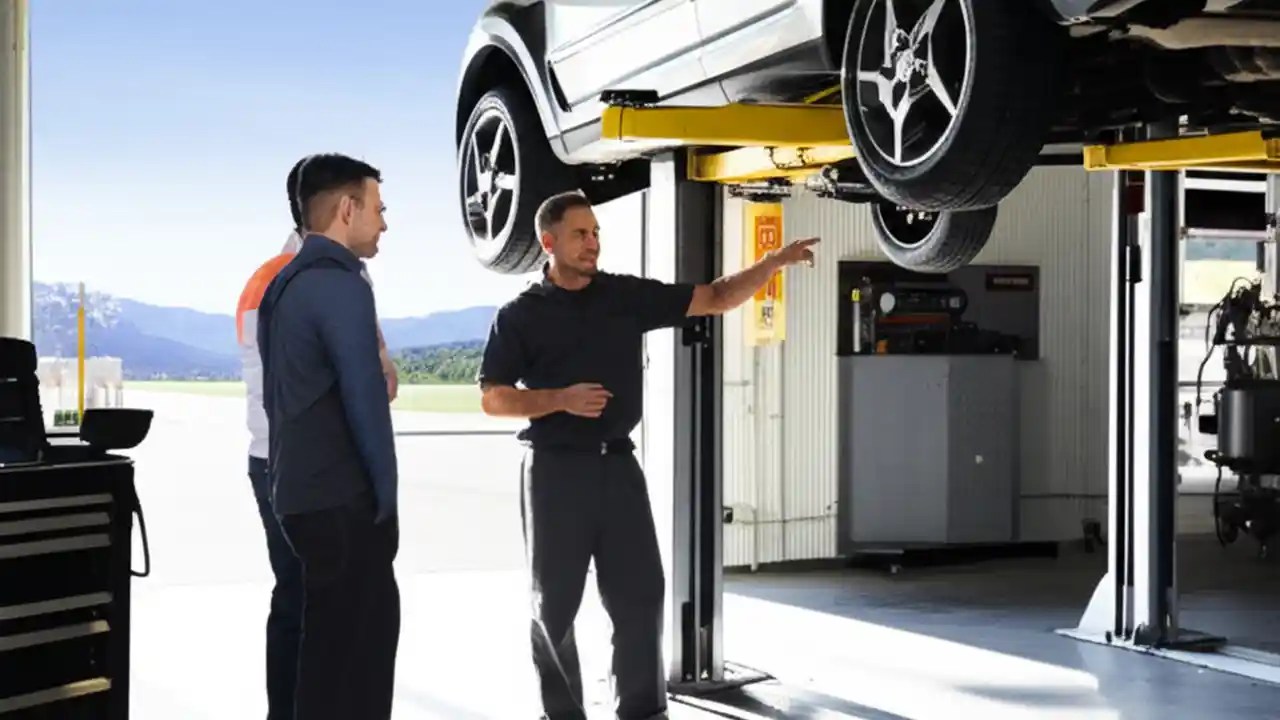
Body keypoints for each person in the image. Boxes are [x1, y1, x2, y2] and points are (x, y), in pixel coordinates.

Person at [477, 190, 818, 720]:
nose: (593, 243)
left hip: (618, 465)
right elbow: (493, 397)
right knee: (555, 606)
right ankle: (561, 714)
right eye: (580, 235)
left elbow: (717, 297)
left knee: (642, 594)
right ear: (549, 242)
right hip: (553, 468)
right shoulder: (520, 315)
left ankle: (642, 711)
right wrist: (559, 400)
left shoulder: (622, 296)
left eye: (595, 233)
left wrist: (772, 263)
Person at [234, 155, 398, 719]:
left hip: (296, 488)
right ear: (347, 209)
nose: (384, 222)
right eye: (378, 208)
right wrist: (387, 502)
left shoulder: (280, 284)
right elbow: (367, 396)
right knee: (362, 655)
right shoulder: (340, 283)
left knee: (322, 647)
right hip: (339, 500)